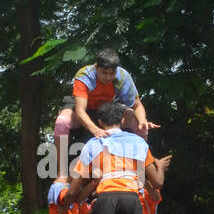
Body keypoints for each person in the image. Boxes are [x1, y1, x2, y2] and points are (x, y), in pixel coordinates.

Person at [53, 48, 152, 177]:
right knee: (62, 122)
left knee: (139, 124)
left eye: (112, 73)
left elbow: (137, 105)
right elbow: (79, 111)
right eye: (104, 73)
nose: (108, 77)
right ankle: (61, 174)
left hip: (108, 107)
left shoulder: (122, 77)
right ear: (96, 68)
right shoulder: (85, 76)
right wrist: (95, 130)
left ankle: (143, 174)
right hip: (84, 107)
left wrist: (142, 121)